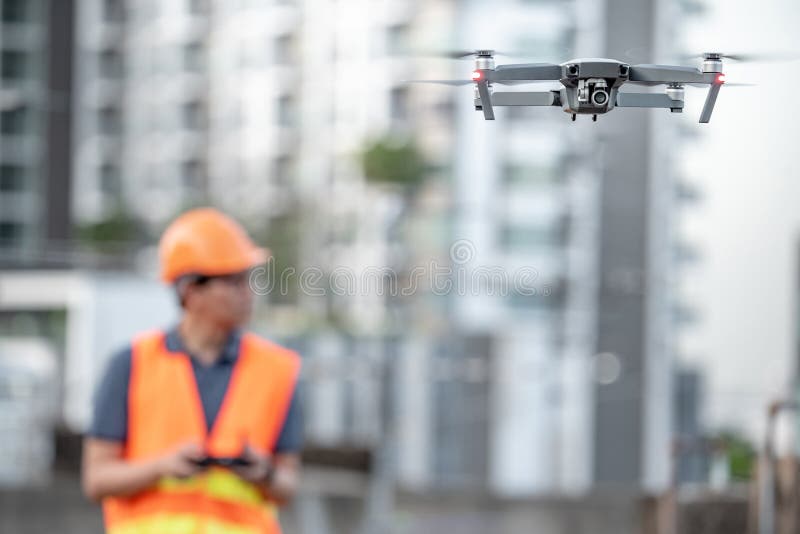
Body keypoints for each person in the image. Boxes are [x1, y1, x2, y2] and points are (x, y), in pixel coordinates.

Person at [82, 208, 302, 534]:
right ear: (191, 290)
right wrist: (161, 467)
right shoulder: (131, 364)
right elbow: (97, 480)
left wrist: (264, 473)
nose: (248, 293)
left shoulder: (277, 370)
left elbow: (288, 485)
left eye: (248, 279)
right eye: (234, 281)